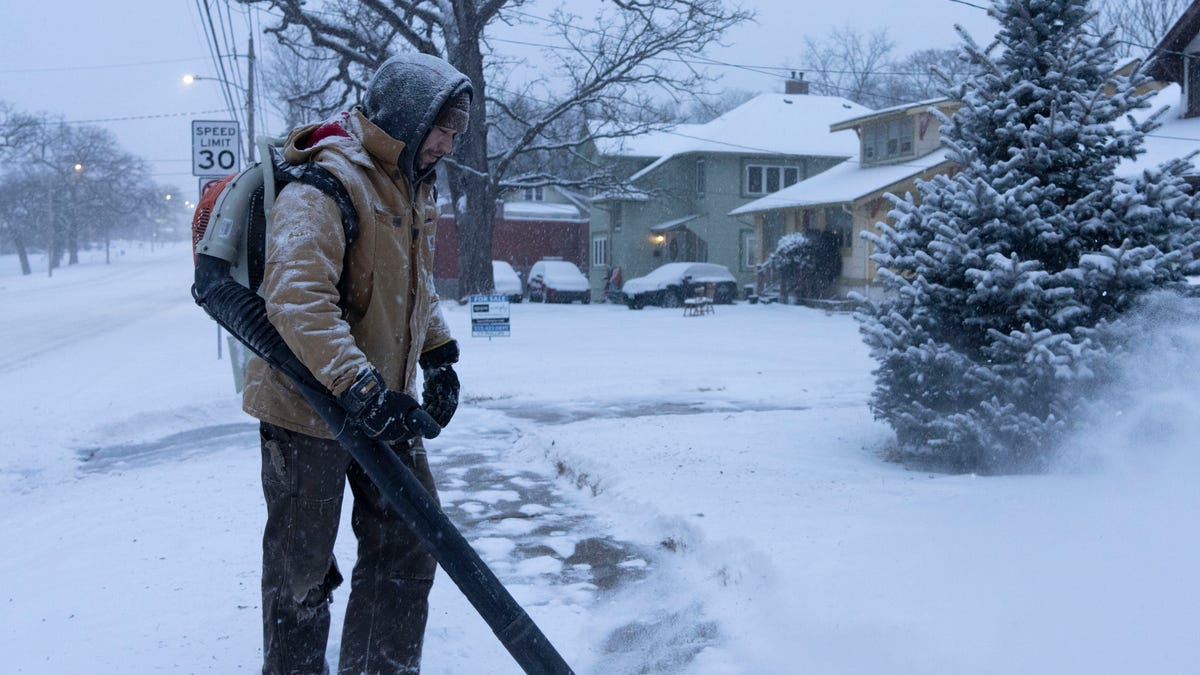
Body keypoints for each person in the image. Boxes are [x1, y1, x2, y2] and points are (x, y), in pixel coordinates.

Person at [240, 52, 471, 674]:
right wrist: (358, 386)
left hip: (381, 402)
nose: (448, 144)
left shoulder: (410, 185)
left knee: (411, 542)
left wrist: (438, 354)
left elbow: (410, 285)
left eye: (456, 132)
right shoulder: (328, 181)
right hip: (307, 406)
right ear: (406, 120)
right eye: (441, 129)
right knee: (302, 569)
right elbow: (296, 298)